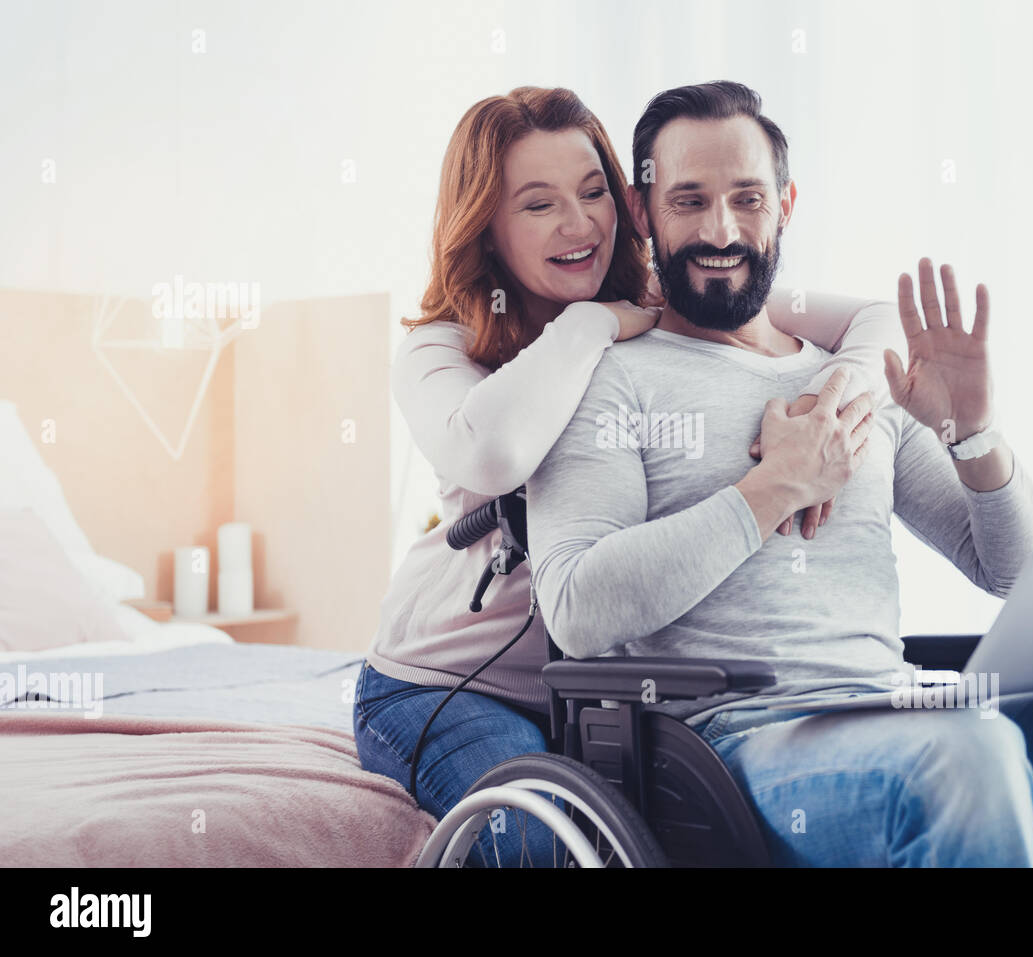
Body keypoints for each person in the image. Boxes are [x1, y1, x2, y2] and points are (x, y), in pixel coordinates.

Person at [526, 80, 1033, 866]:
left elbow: (1012, 570)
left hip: (900, 719)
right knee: (968, 754)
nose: (722, 229)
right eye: (689, 201)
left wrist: (973, 431)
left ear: (786, 205)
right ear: (642, 210)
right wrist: (771, 489)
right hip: (739, 758)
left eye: (747, 199)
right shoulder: (609, 381)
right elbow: (578, 606)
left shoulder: (854, 379)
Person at [352, 85, 892, 866]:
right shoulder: (443, 350)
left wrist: (828, 400)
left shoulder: (655, 303)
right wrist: (593, 322)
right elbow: (495, 454)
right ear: (488, 227)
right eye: (538, 204)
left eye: (594, 190)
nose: (579, 224)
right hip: (452, 684)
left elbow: (876, 319)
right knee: (545, 841)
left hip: (600, 695)